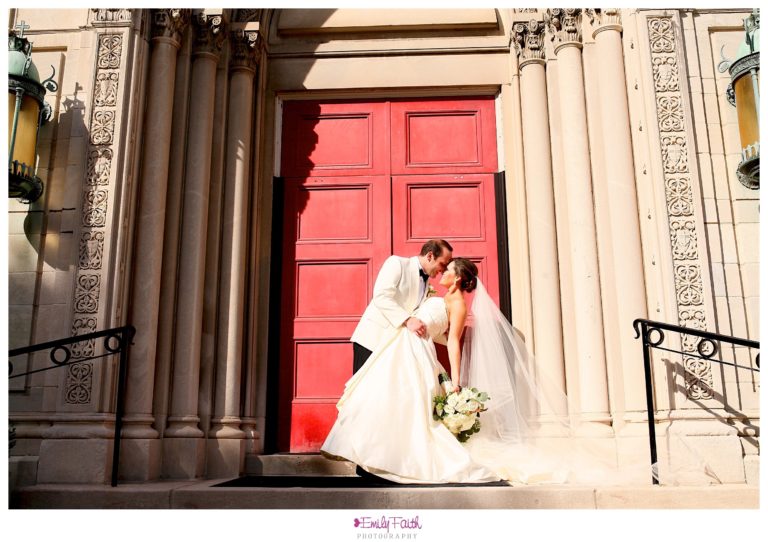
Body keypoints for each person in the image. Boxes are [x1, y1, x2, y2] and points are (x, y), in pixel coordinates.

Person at [350, 239, 453, 374]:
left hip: (393, 347)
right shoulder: (397, 263)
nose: (444, 270)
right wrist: (407, 320)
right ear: (430, 256)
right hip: (372, 339)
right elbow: (381, 296)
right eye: (443, 264)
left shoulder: (426, 282)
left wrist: (444, 332)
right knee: (361, 391)